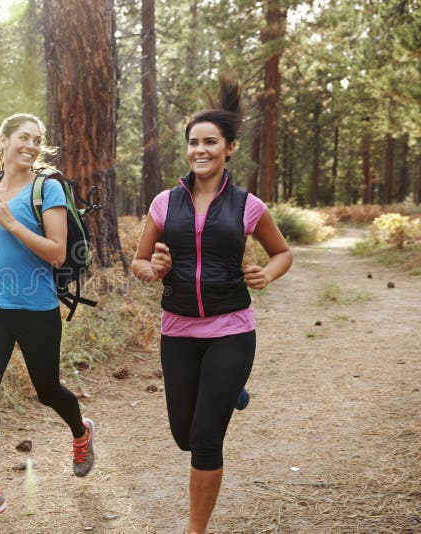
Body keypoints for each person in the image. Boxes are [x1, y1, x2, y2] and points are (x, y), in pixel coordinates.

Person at [132, 76, 292, 534]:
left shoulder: (248, 205)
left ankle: (195, 530)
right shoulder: (164, 204)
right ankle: (232, 393)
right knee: (183, 436)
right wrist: (156, 269)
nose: (199, 150)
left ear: (230, 149)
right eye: (192, 142)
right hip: (178, 331)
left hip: (231, 330)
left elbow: (282, 252)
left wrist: (268, 273)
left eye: (210, 142)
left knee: (204, 440)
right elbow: (139, 263)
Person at [0, 113, 96, 527]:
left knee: (48, 390)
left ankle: (81, 432)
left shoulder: (46, 189)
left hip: (37, 310)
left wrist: (11, 221)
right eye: (23, 137)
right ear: (3, 140)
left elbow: (55, 252)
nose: (31, 146)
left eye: (37, 140)